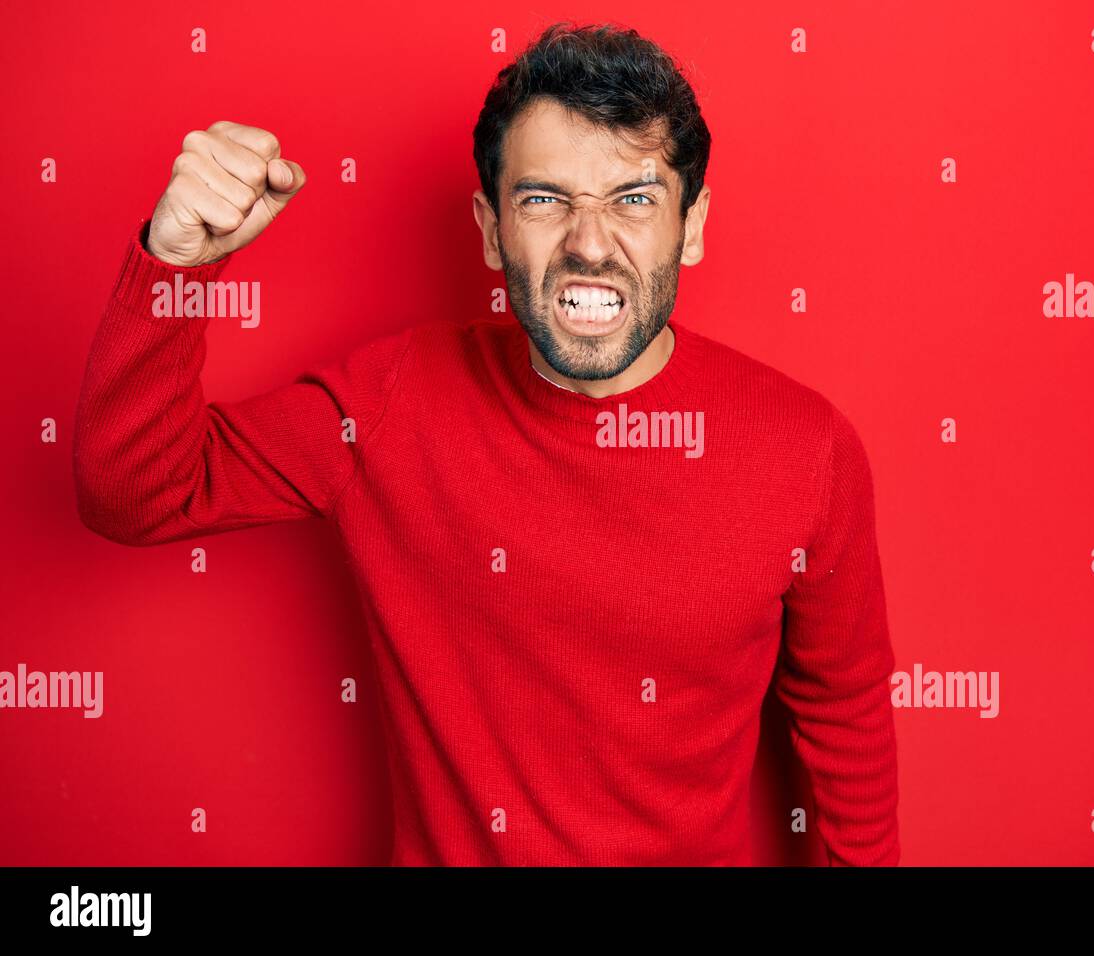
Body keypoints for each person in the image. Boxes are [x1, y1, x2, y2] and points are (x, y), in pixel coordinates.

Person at [73, 21, 900, 866]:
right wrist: (175, 268)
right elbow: (136, 491)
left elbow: (847, 712)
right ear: (490, 226)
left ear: (689, 225)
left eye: (634, 199)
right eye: (544, 199)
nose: (588, 241)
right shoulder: (391, 402)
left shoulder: (806, 449)